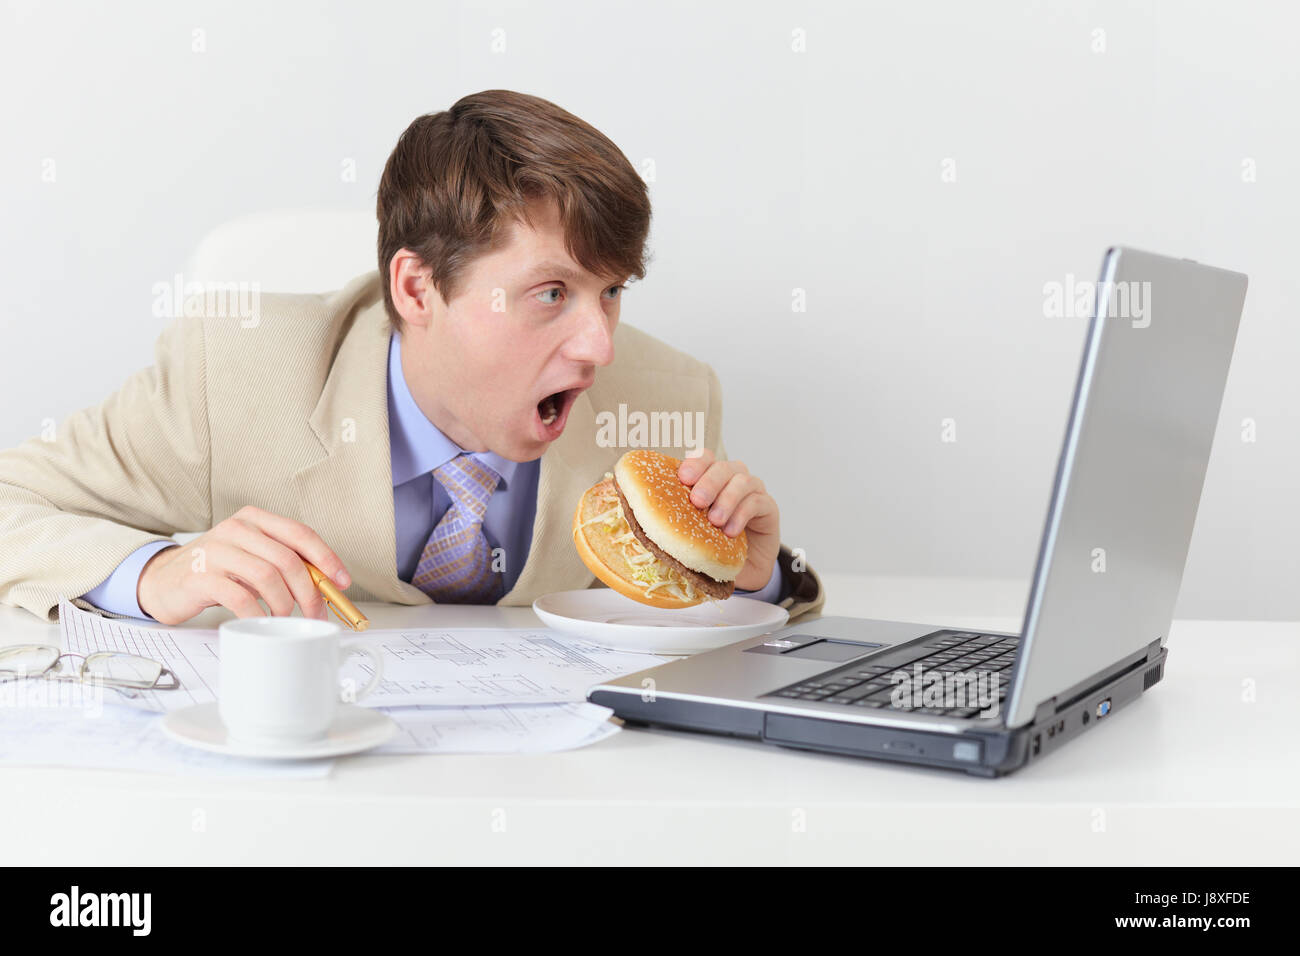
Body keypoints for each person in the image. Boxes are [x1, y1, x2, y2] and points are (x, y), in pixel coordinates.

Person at [0, 90, 825, 625]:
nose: (599, 345)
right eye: (551, 294)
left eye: (610, 292)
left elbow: (698, 632)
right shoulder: (234, 377)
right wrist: (153, 574)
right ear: (418, 288)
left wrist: (753, 583)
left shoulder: (671, 396)